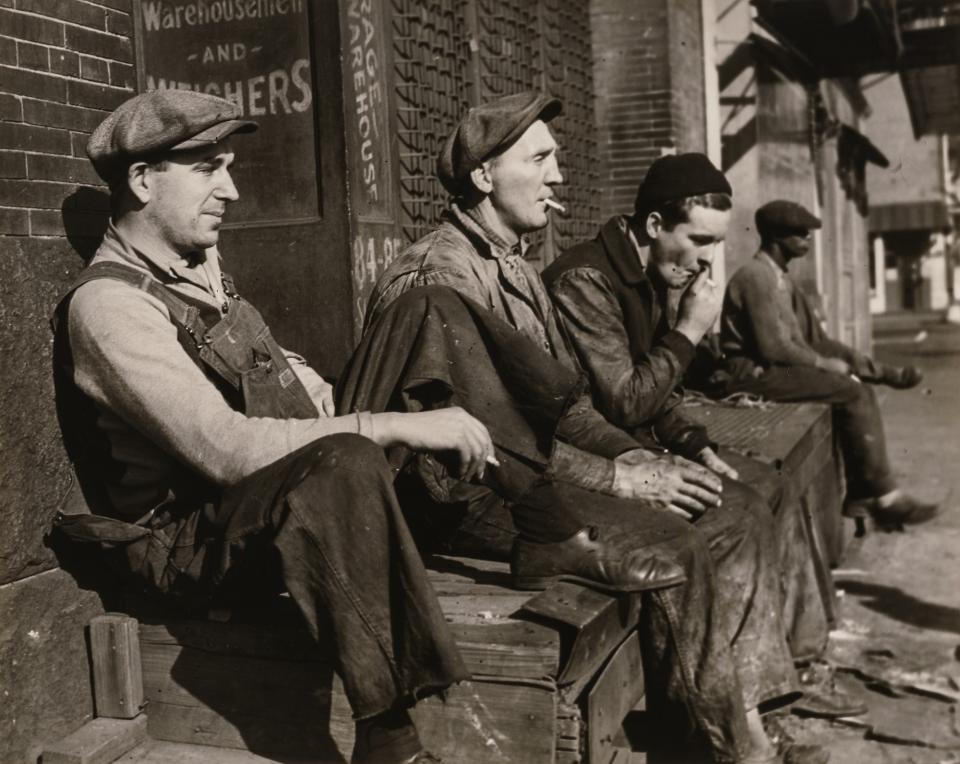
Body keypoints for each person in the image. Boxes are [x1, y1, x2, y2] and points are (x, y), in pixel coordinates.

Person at [356, 91, 824, 764]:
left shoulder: (513, 266)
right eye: (540, 159)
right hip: (462, 500)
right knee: (674, 542)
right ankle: (726, 747)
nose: (559, 178)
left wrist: (645, 461)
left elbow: (567, 410)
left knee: (725, 505)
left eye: (557, 160)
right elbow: (477, 451)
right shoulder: (440, 274)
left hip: (526, 480)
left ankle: (736, 716)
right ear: (484, 176)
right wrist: (619, 478)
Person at [50, 89, 516, 764]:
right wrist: (390, 427)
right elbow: (229, 451)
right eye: (209, 168)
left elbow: (290, 381)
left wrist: (399, 415)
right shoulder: (109, 306)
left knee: (428, 305)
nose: (231, 189)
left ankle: (543, 504)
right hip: (191, 540)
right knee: (348, 460)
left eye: (229, 166)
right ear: (143, 180)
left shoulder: (199, 269)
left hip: (266, 497)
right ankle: (389, 737)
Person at [542, 153, 869, 715]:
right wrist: (690, 329)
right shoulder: (585, 280)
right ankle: (745, 701)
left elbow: (659, 398)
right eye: (698, 240)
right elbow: (624, 400)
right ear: (653, 226)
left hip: (642, 448)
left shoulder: (649, 274)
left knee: (774, 483)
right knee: (737, 511)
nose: (706, 259)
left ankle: (800, 666)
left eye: (715, 243)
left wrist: (700, 446)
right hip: (594, 461)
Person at [719, 200, 937, 529]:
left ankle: (868, 489)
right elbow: (772, 347)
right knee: (851, 392)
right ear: (777, 238)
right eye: (800, 233)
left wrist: (853, 363)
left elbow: (814, 339)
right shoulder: (756, 277)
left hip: (776, 367)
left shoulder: (782, 280)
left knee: (856, 386)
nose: (807, 239)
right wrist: (823, 363)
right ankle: (879, 495)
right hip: (751, 374)